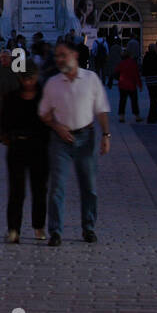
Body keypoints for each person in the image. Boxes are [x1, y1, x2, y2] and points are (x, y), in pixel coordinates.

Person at [40, 40, 111, 246]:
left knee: (89, 186)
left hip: (85, 138)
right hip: (60, 139)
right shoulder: (53, 83)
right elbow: (44, 114)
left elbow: (101, 109)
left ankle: (88, 227)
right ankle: (55, 231)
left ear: (75, 55)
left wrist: (106, 135)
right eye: (57, 56)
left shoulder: (91, 79)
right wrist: (57, 126)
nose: (60, 60)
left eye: (63, 55)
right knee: (57, 187)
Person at [0, 61, 49, 243]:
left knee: (39, 190)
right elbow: (3, 120)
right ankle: (13, 229)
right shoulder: (12, 97)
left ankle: (39, 227)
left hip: (39, 148)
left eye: (31, 79)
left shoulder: (44, 97)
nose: (28, 82)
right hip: (17, 147)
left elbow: (49, 122)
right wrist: (7, 136)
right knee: (16, 191)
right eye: (25, 79)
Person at [113, 47, 142, 122]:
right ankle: (137, 116)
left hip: (122, 85)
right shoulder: (133, 63)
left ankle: (121, 116)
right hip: (132, 85)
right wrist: (140, 85)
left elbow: (115, 73)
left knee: (122, 101)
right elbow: (136, 75)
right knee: (134, 101)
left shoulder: (121, 63)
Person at [142, 43, 157, 123]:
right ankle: (151, 116)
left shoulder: (146, 57)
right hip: (156, 80)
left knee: (153, 98)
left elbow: (144, 68)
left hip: (149, 81)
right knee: (155, 99)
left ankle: (154, 114)